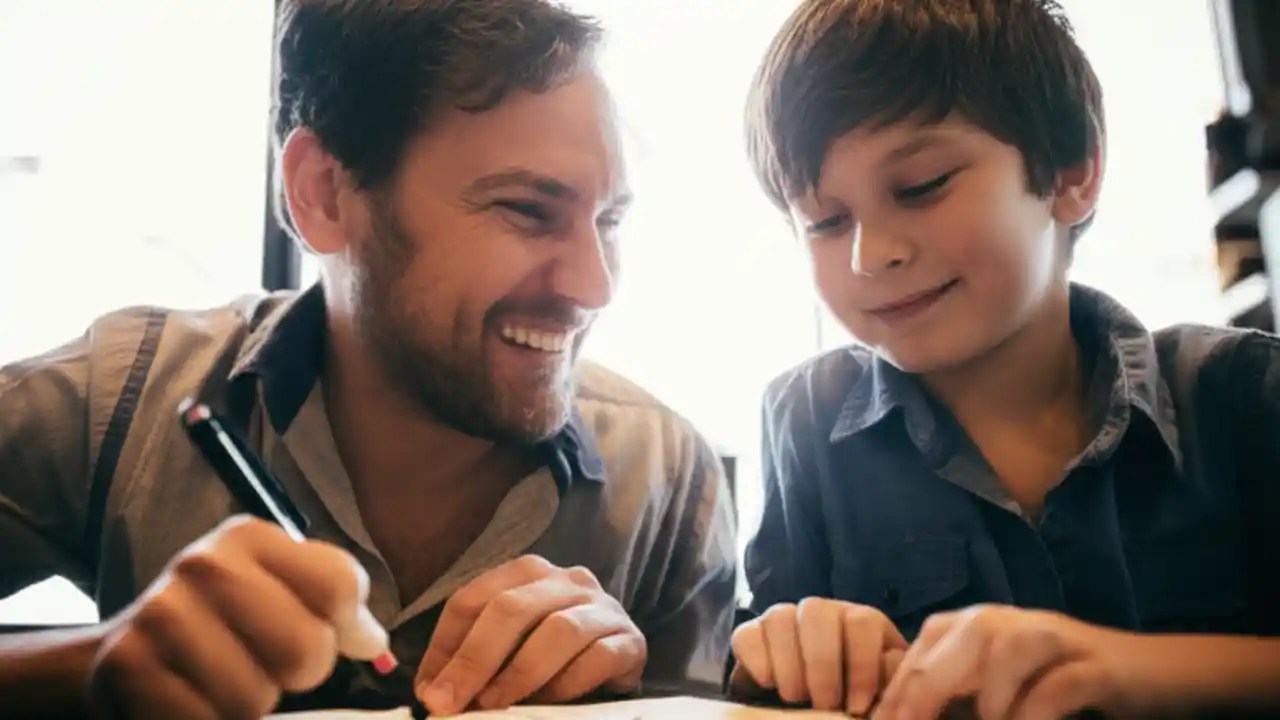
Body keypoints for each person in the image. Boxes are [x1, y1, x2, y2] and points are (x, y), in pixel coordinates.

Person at [0, 1, 736, 717]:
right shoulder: (121, 400)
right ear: (322, 194)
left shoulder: (667, 481)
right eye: (525, 210)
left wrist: (632, 706)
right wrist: (90, 669)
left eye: (608, 220)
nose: (593, 286)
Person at [728, 1, 1280, 718]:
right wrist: (786, 651)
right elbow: (755, 679)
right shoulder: (804, 421)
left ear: (1073, 175)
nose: (873, 253)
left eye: (922, 186)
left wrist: (1127, 669)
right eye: (827, 222)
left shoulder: (1239, 395)